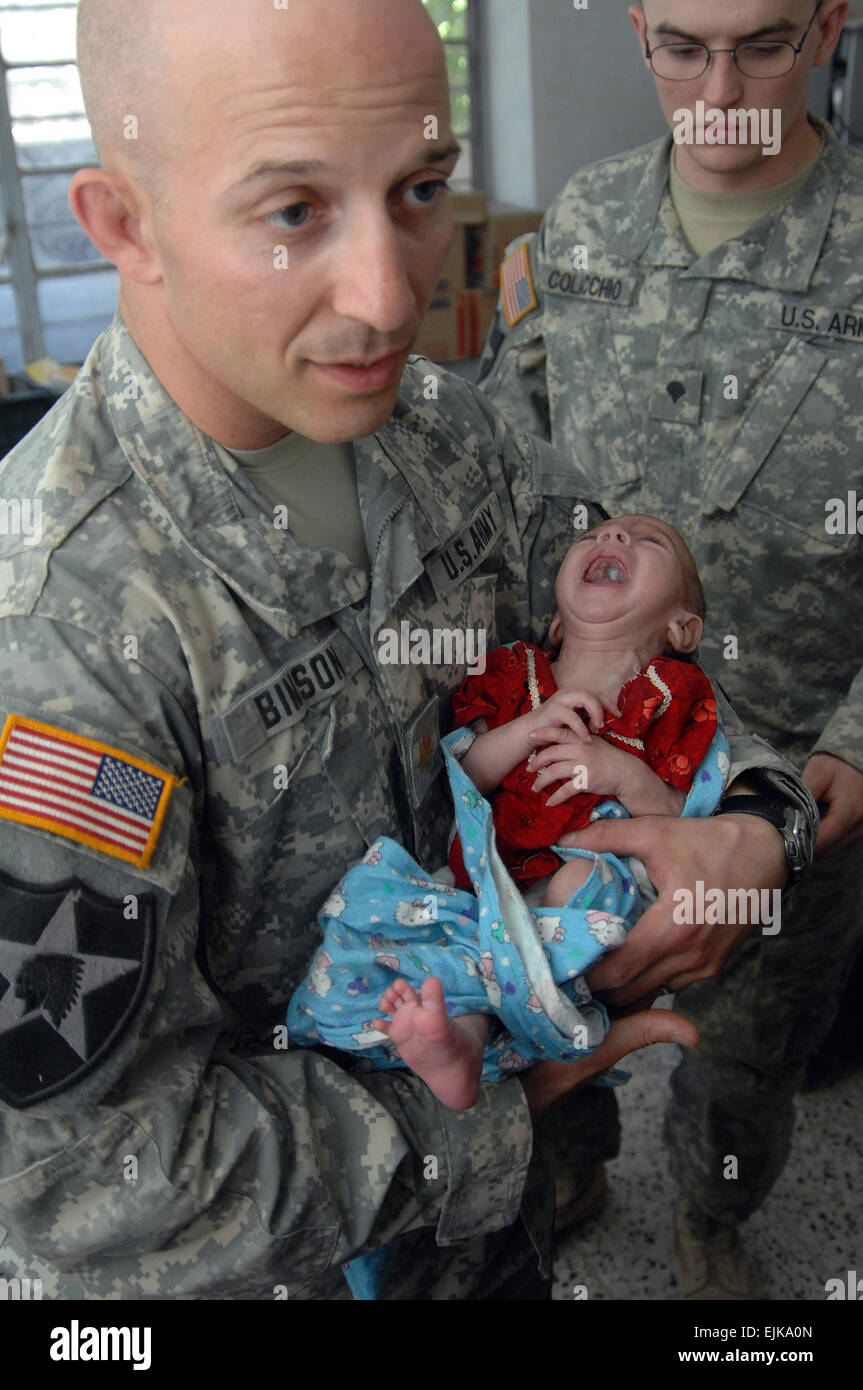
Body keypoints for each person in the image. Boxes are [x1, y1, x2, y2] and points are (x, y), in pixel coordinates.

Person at [0, 0, 812, 1301]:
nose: (391, 294)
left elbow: (650, 644)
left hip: (487, 1247)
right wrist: (482, 1114)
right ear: (123, 225)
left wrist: (756, 827)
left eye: (420, 187)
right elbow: (89, 1178)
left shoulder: (449, 437)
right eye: (293, 213)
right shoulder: (54, 628)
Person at [478, 0, 861, 1299]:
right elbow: (502, 445)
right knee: (548, 1007)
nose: (718, 88)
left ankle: (711, 1216)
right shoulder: (580, 226)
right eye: (679, 46)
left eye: (759, 42)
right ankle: (575, 1159)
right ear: (635, 28)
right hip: (573, 764)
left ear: (826, 23)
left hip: (780, 784)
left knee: (743, 1062)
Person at [288, 513, 724, 1114]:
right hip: (487, 883)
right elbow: (465, 774)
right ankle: (460, 1049)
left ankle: (530, 1002)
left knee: (579, 886)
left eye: (649, 540)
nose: (611, 537)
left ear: (682, 627)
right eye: (592, 536)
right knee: (437, 945)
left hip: (584, 884)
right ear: (554, 621)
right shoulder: (515, 672)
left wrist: (621, 772)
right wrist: (527, 730)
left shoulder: (673, 695)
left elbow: (682, 815)